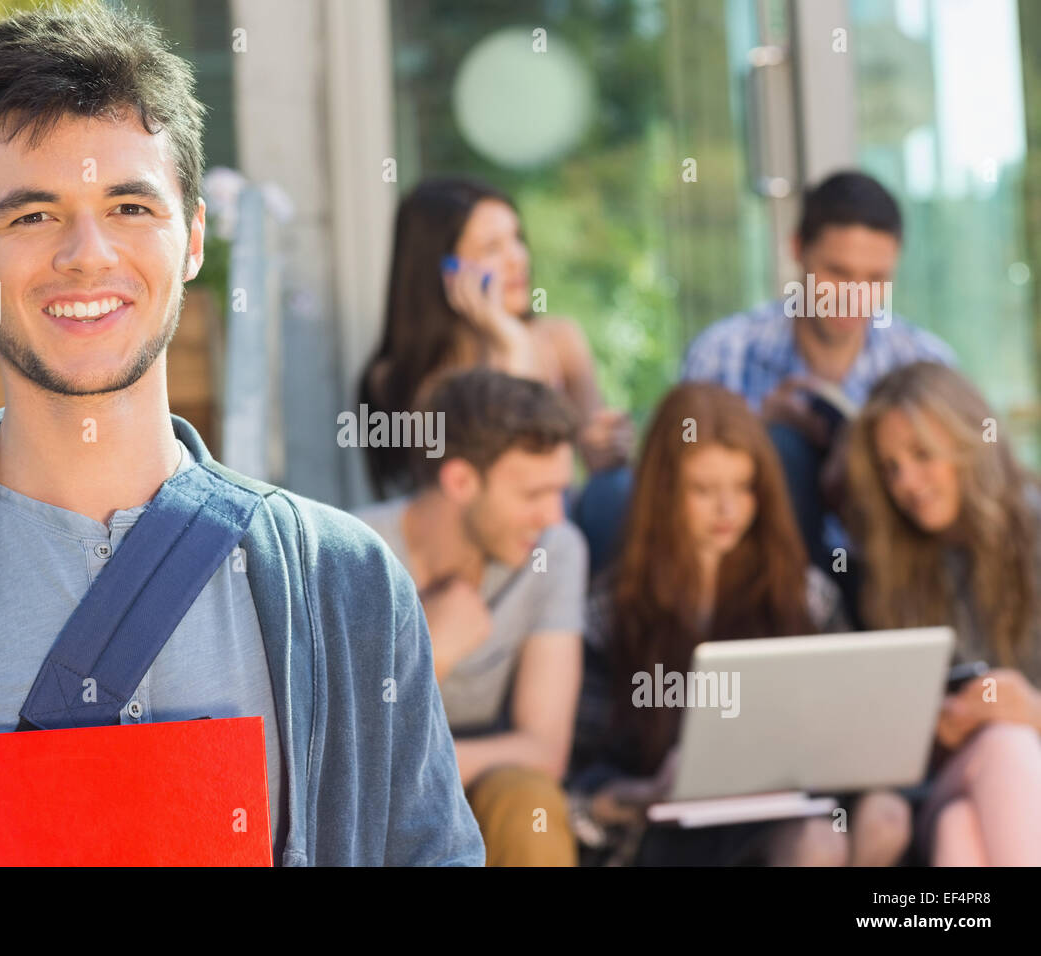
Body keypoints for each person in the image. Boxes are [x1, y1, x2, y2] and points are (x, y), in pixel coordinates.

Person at [0, 1, 483, 867]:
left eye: (131, 206)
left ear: (195, 236)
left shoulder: (344, 584)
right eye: (31, 216)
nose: (88, 254)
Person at [568, 382, 912, 866]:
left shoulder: (803, 593)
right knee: (816, 843)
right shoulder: (612, 610)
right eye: (703, 490)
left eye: (744, 487)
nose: (728, 510)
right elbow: (580, 776)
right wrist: (645, 791)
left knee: (884, 813)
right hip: (677, 830)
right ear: (663, 493)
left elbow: (852, 722)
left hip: (794, 805)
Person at [355, 369, 588, 865]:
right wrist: (432, 649)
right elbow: (352, 758)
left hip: (480, 787)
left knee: (529, 800)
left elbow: (545, 750)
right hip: (376, 811)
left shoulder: (554, 550)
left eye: (559, 492)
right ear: (460, 479)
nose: (554, 516)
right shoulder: (356, 554)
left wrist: (427, 764)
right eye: (532, 495)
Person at [677, 171, 955, 587]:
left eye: (876, 279)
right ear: (797, 251)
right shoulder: (722, 353)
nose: (855, 296)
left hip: (891, 578)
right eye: (838, 273)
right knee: (783, 448)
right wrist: (754, 433)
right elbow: (677, 495)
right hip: (761, 582)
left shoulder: (925, 361)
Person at [845, 361, 1041, 866]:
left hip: (1007, 791)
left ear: (968, 444)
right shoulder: (885, 566)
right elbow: (872, 743)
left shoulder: (1033, 533)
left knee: (963, 834)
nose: (907, 482)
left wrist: (1033, 711)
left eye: (922, 455)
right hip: (942, 782)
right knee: (1002, 746)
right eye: (890, 467)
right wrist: (932, 730)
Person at [357, 176, 632, 499]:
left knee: (617, 491)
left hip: (557, 529)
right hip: (477, 535)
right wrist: (510, 346)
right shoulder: (401, 377)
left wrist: (611, 447)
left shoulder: (560, 339)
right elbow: (511, 477)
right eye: (492, 248)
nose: (518, 258)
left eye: (517, 238)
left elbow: (591, 467)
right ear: (443, 270)